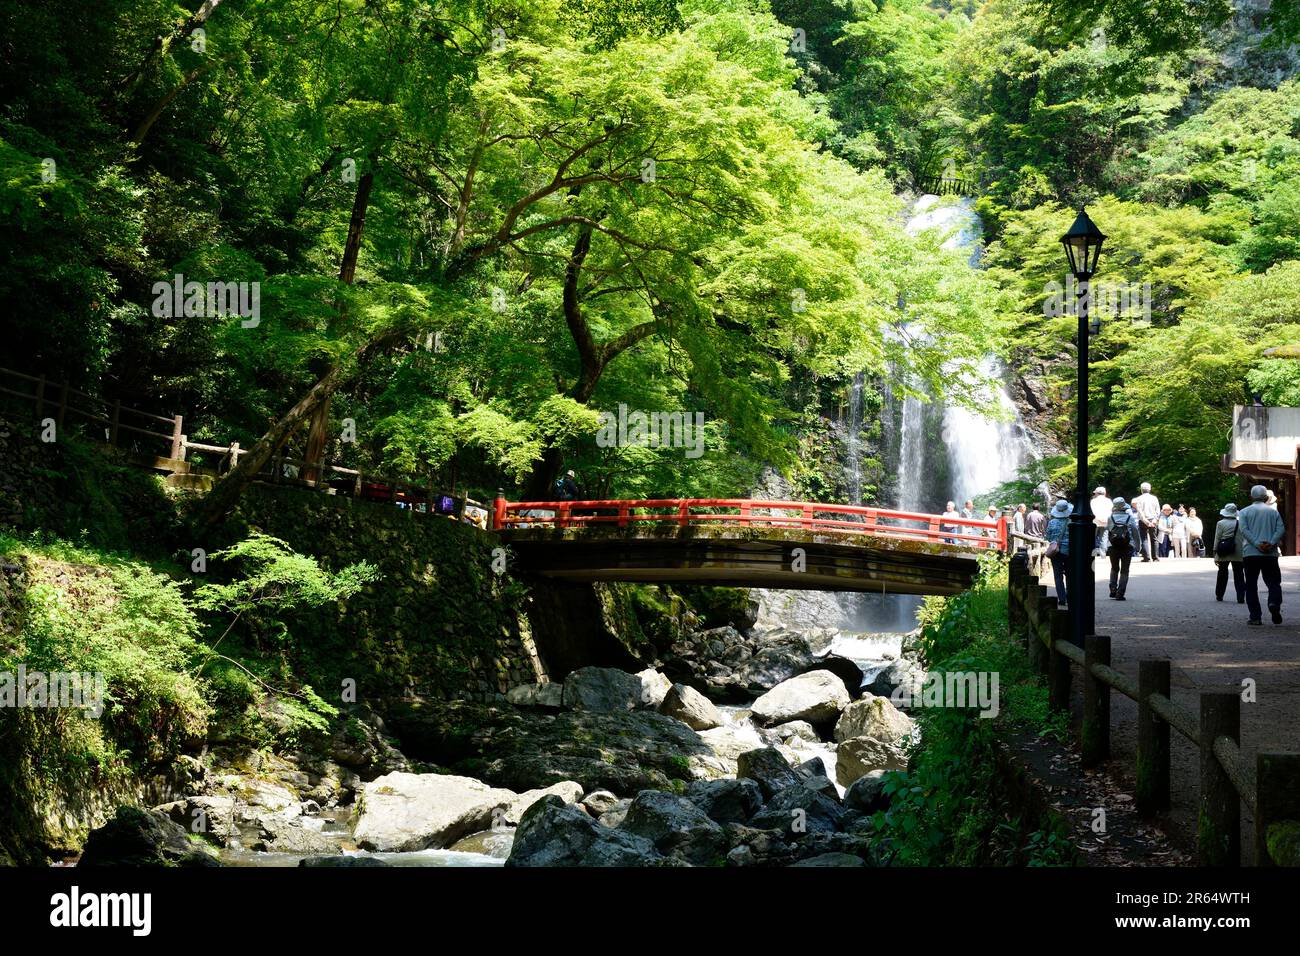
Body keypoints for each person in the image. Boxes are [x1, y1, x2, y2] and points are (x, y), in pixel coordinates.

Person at [1238, 484, 1285, 625]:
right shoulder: (1273, 512)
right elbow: (1281, 529)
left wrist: (1257, 544)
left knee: (1251, 585)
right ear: (1266, 497)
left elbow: (1244, 531)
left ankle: (1255, 616)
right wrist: (1270, 543)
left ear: (1251, 497)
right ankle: (1273, 603)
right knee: (1274, 583)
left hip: (1250, 553)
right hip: (1270, 554)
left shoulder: (1244, 512)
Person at [1105, 496, 1141, 600]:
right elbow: (1135, 532)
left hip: (1113, 546)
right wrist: (1138, 547)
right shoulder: (1130, 518)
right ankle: (1120, 593)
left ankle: (1112, 588)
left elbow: (1107, 530)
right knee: (1125, 570)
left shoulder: (1110, 518)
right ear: (1124, 506)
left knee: (1114, 568)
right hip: (1127, 546)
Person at [1212, 503, 1245, 604]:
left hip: (1224, 549)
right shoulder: (1240, 523)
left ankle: (1219, 595)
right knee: (1239, 574)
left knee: (1222, 573)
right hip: (1238, 550)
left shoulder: (1220, 523)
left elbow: (1217, 538)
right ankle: (1240, 596)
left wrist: (1215, 552)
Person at [1046, 499, 1073, 607]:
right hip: (1069, 551)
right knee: (1070, 575)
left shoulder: (1052, 522)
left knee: (1058, 576)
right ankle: (1069, 596)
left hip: (1055, 552)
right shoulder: (1071, 523)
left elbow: (1047, 537)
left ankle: (1062, 599)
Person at [1132, 482, 1161, 562]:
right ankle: (1155, 557)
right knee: (1154, 538)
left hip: (1143, 520)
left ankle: (1147, 557)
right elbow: (1158, 510)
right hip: (1153, 520)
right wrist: (1155, 520)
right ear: (1150, 489)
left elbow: (1140, 511)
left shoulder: (1139, 499)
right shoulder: (1154, 498)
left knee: (1144, 538)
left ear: (1141, 490)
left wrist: (1145, 521)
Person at [1090, 486, 1110, 555]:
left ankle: (1092, 553)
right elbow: (1111, 512)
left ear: (1097, 493)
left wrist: (1099, 519)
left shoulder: (1093, 501)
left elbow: (1092, 511)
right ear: (1104, 493)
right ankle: (1103, 554)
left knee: (1092, 538)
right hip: (1106, 522)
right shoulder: (1108, 501)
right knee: (1104, 538)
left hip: (1095, 521)